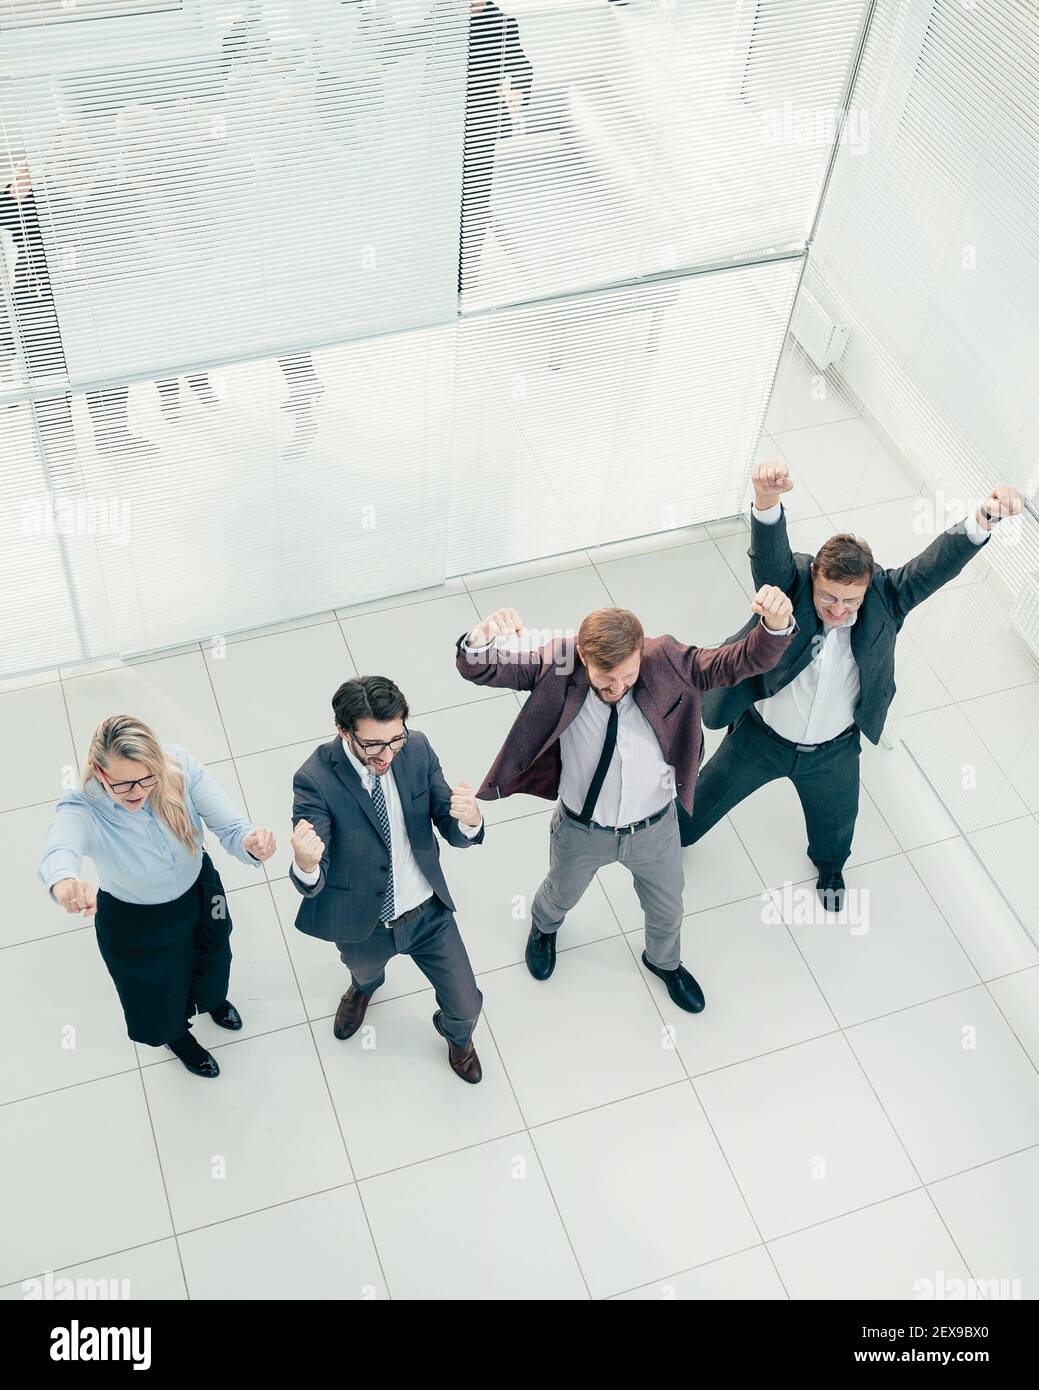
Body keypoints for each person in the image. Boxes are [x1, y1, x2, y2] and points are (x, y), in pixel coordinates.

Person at [678, 459, 1025, 909]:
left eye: (849, 600)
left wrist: (986, 517)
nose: (838, 610)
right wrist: (767, 500)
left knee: (837, 823)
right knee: (696, 808)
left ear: (867, 590)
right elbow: (769, 559)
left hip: (833, 750)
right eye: (828, 597)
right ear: (813, 580)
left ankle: (829, 870)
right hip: (758, 739)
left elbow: (937, 565)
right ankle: (668, 841)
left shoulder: (887, 597)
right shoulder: (793, 585)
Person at [454, 590, 796, 1012]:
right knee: (559, 893)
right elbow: (485, 669)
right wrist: (480, 639)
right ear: (582, 655)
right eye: (605, 678)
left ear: (640, 651)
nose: (617, 688)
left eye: (628, 676)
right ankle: (544, 929)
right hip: (582, 828)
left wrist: (774, 628)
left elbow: (735, 662)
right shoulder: (560, 662)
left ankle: (664, 961)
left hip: (654, 828)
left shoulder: (667, 659)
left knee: (669, 907)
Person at [38, 715, 277, 1078]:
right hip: (137, 919)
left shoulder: (178, 765)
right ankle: (178, 1038)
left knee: (215, 956)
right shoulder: (82, 806)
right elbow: (59, 851)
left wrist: (251, 843)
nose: (137, 791)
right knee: (156, 990)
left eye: (147, 778)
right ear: (96, 770)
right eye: (121, 784)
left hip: (200, 892)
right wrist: (64, 884)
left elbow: (231, 828)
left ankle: (212, 1000)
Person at [289, 676, 487, 1083]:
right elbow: (315, 867)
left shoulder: (415, 749)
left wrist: (469, 822)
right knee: (364, 972)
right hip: (365, 923)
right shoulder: (314, 778)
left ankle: (457, 1037)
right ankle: (363, 989)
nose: (387, 754)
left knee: (467, 1005)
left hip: (428, 913)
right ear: (344, 731)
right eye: (373, 744)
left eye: (395, 739)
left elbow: (445, 820)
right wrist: (306, 863)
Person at [459, 0, 534, 293]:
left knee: (475, 203)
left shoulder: (503, 23)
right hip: (444, 124)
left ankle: (467, 277)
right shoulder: (442, 19)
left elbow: (523, 70)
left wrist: (515, 97)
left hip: (480, 127)